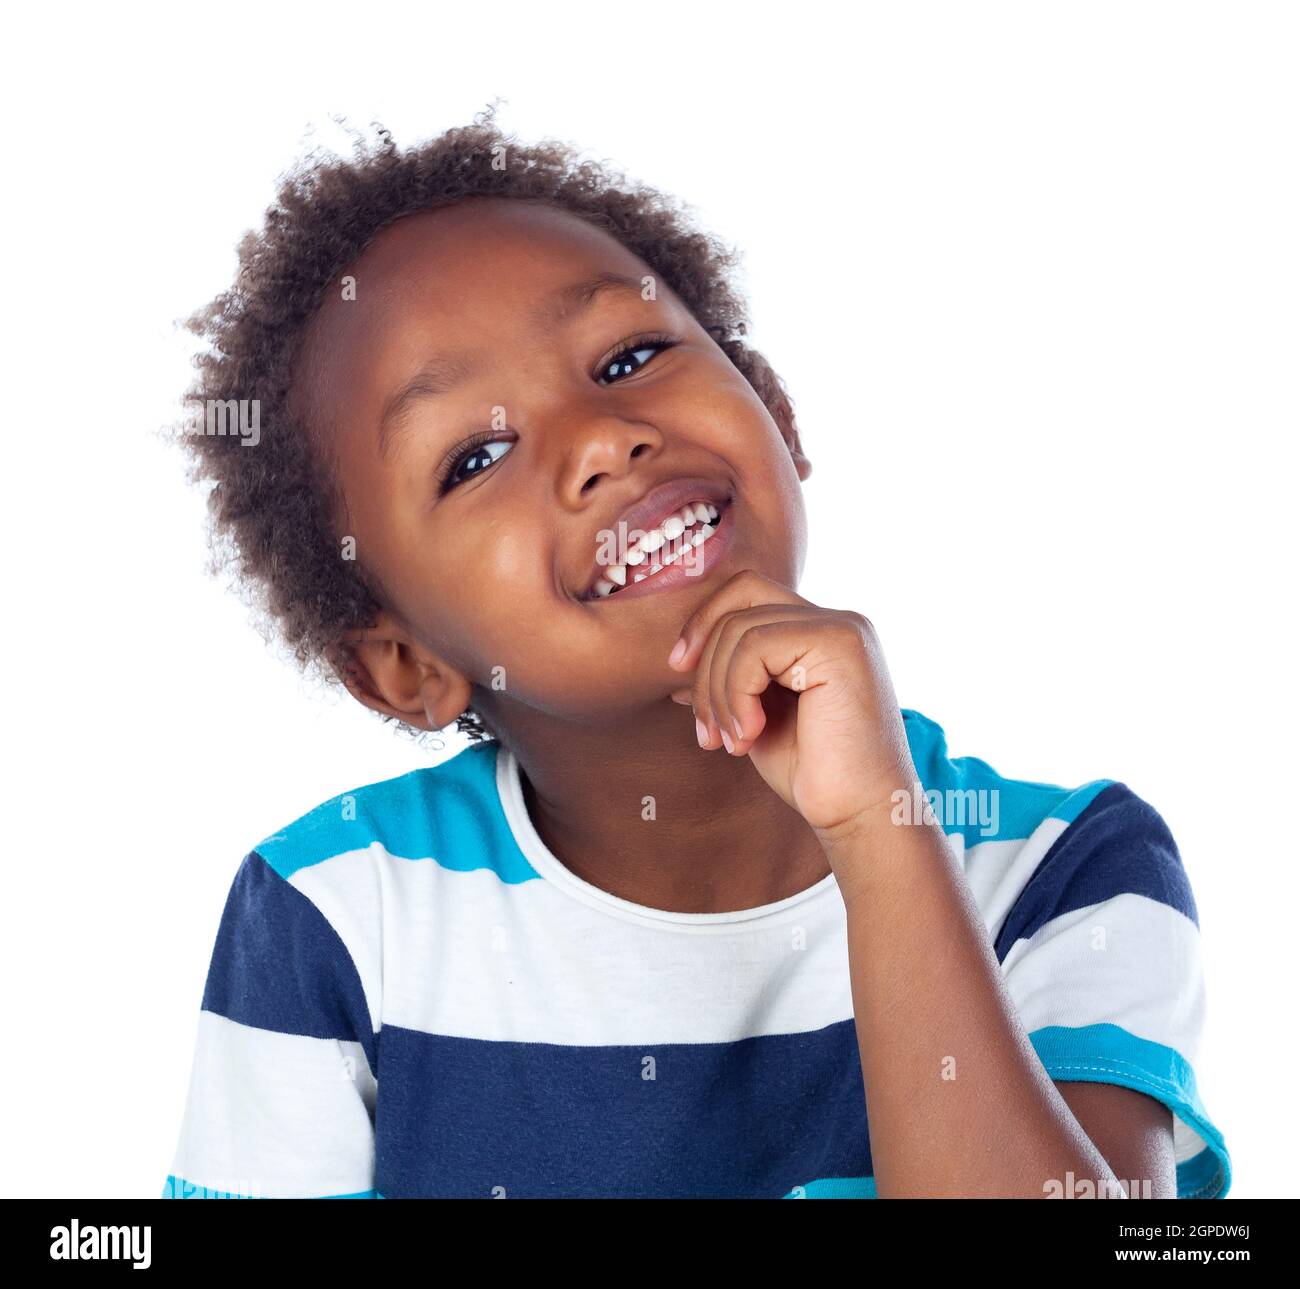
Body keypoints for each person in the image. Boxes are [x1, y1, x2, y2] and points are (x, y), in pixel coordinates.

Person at [162, 109, 1230, 1199]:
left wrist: (877, 834)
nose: (598, 438)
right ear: (403, 665)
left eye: (629, 357)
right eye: (476, 454)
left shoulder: (1067, 871)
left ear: (774, 409)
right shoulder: (336, 914)